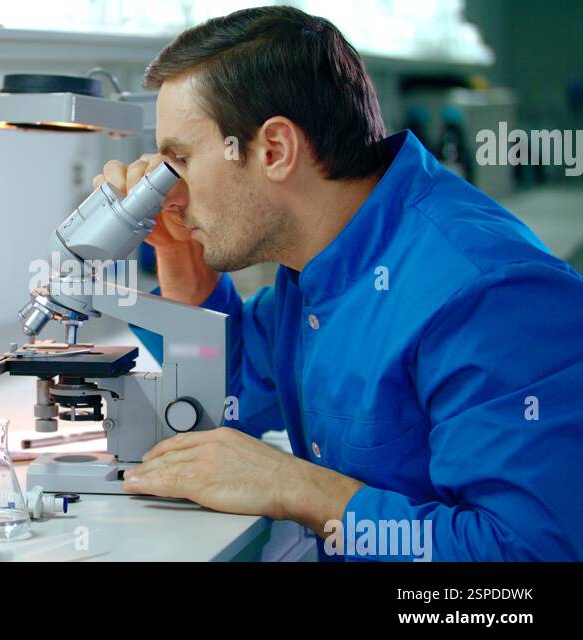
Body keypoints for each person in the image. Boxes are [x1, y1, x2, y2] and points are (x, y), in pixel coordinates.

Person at [98, 6, 583, 561]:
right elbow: (227, 396)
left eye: (180, 160)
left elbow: (525, 559)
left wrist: (297, 487)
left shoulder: (487, 294)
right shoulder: (318, 267)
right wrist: (180, 254)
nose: (171, 195)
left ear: (275, 150)